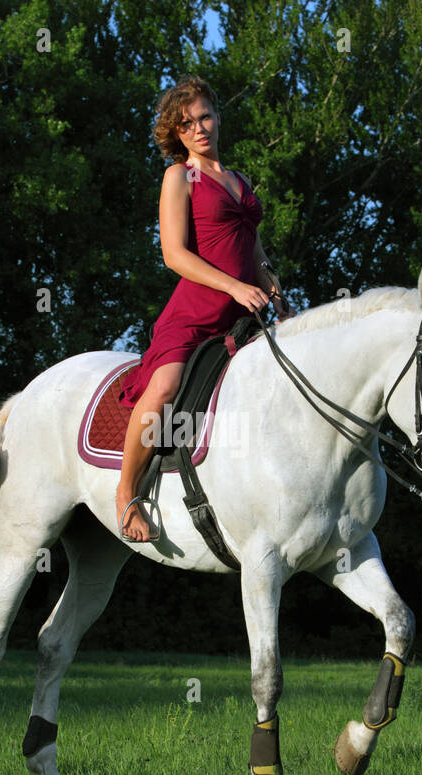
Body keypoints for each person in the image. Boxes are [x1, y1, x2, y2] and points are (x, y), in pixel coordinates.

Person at [115, 76, 289, 542]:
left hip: (243, 313)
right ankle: (127, 494)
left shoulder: (239, 180)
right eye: (187, 124)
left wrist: (273, 289)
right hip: (195, 313)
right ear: (176, 134)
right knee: (166, 386)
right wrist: (235, 286)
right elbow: (173, 254)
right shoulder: (180, 177)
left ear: (218, 115)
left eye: (205, 116)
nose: (200, 128)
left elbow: (253, 248)